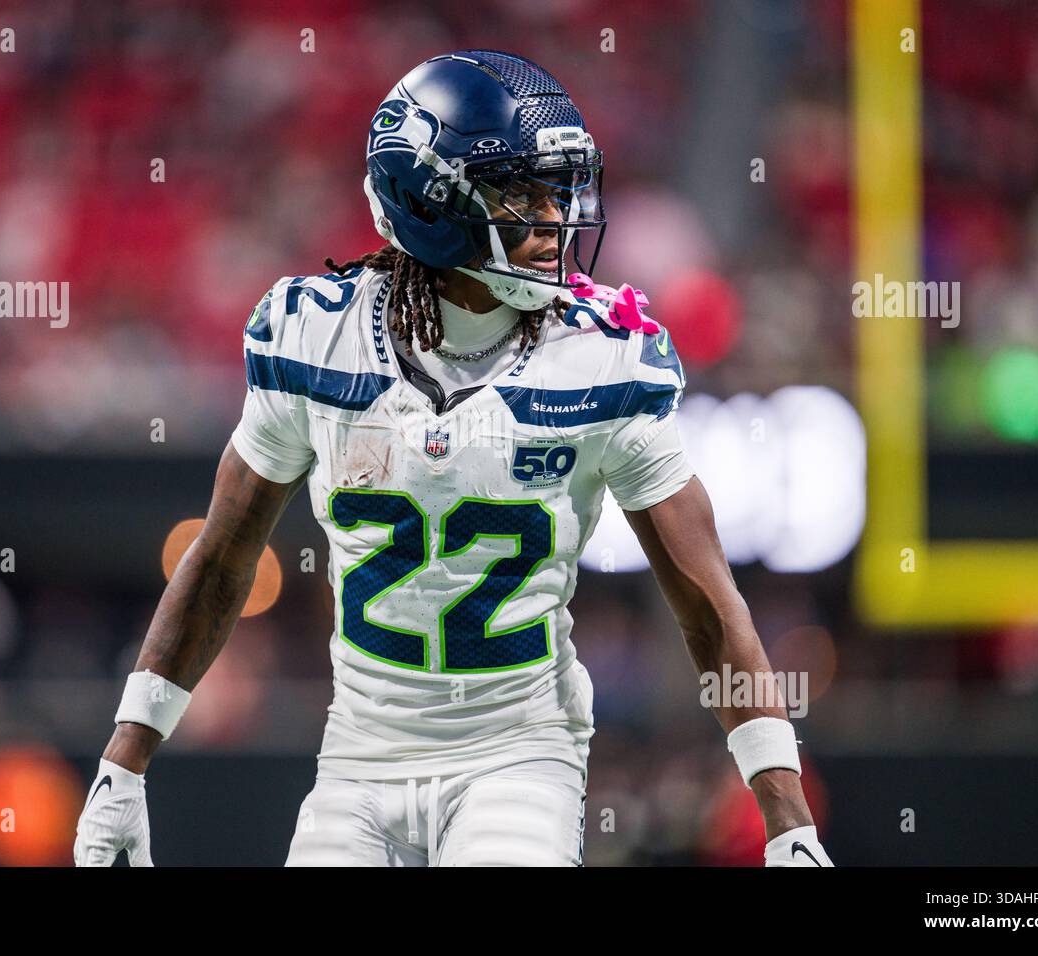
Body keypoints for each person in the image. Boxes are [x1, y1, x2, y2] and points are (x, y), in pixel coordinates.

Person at [74, 49, 832, 867]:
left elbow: (709, 609)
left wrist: (787, 819)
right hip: (359, 765)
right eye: (520, 190)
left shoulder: (603, 355)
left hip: (518, 756)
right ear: (432, 203)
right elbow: (222, 560)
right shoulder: (316, 340)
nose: (555, 217)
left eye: (559, 185)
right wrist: (125, 761)